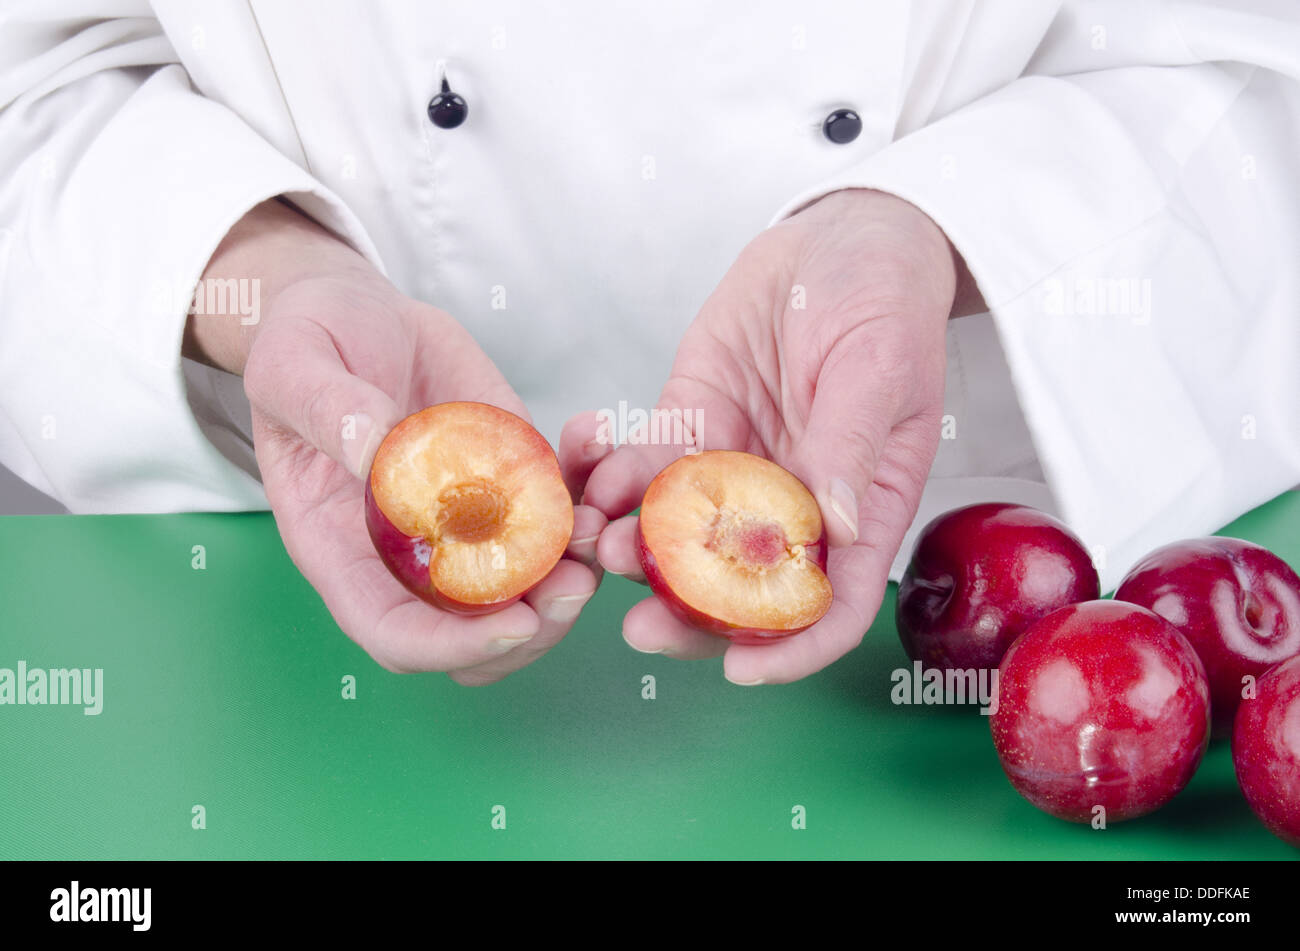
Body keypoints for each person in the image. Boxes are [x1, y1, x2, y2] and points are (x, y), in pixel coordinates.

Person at [2, 2, 1298, 687]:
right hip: (257, 604)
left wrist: (934, 232)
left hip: (977, 584)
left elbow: (1257, 75)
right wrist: (256, 281)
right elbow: (31, 84)